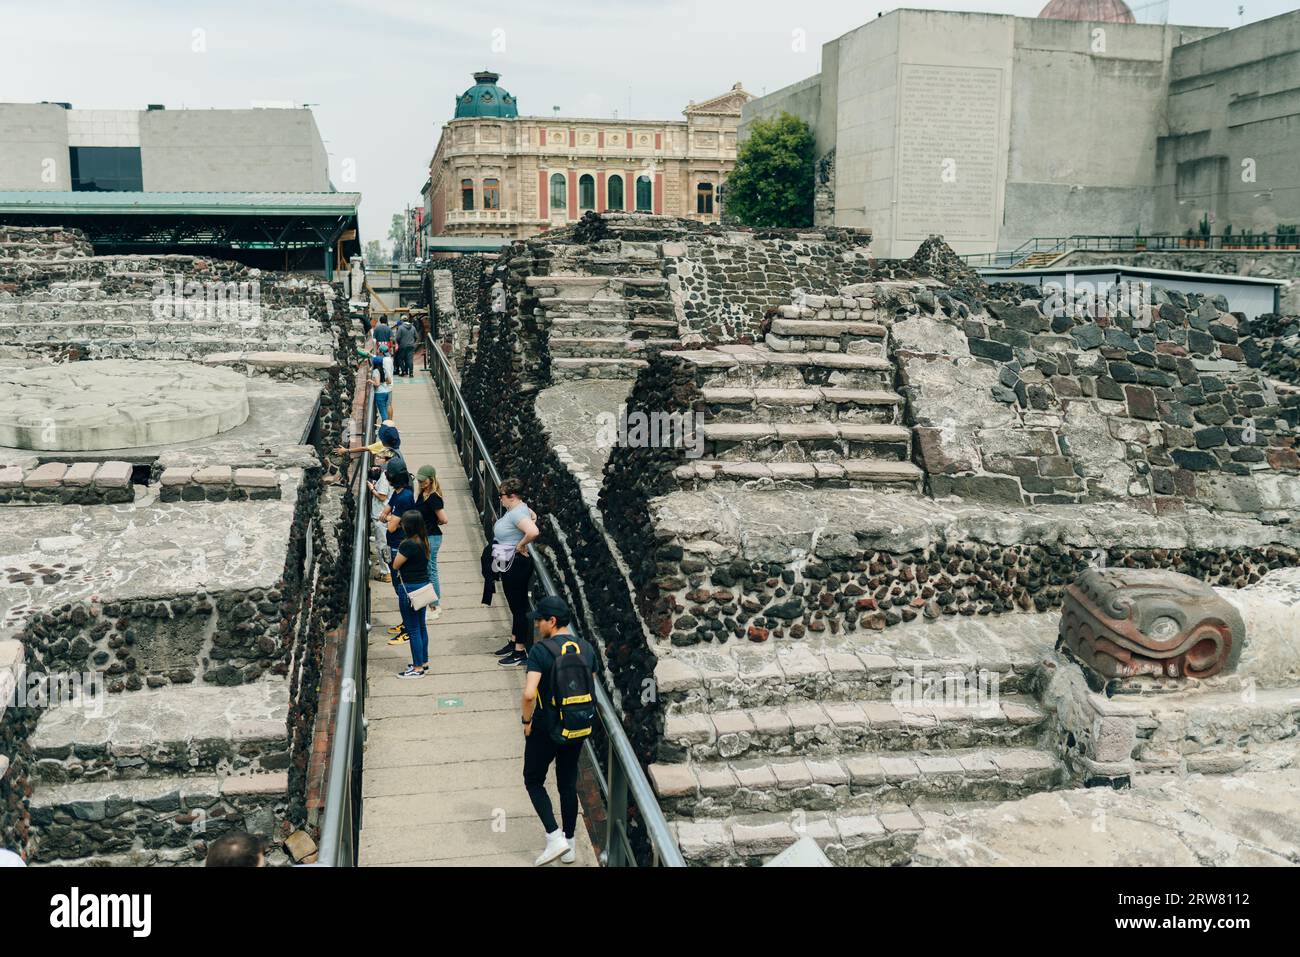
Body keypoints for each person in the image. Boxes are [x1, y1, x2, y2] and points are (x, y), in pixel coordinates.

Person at [521, 596, 598, 866]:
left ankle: (554, 838)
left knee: (533, 780)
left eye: (540, 620)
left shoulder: (541, 651)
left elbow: (530, 694)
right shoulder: (586, 648)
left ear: (551, 622)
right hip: (576, 726)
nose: (538, 625)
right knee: (567, 782)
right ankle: (571, 844)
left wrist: (525, 722)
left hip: (545, 727)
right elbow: (591, 685)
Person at [484, 477, 540, 667]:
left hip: (516, 564)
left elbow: (533, 531)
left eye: (502, 496)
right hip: (510, 562)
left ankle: (519, 652)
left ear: (512, 496)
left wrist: (520, 545)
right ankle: (514, 641)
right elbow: (532, 516)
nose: (499, 499)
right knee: (515, 606)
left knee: (518, 608)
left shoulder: (516, 514)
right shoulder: (519, 508)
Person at [391, 509, 432, 677]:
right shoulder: (423, 541)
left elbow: (395, 565)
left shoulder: (408, 544)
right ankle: (423, 661)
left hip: (409, 588)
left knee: (412, 629)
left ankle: (417, 668)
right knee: (421, 626)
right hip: (422, 586)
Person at [380, 463, 417, 645]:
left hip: (400, 546)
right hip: (394, 544)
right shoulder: (399, 493)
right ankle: (406, 623)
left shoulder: (404, 497)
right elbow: (387, 511)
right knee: (398, 587)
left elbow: (391, 525)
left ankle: (409, 629)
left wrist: (388, 518)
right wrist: (388, 516)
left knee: (402, 589)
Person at [415, 464, 448, 621]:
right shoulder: (423, 493)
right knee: (428, 569)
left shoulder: (434, 497)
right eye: (419, 480)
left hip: (432, 537)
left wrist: (433, 523)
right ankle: (432, 603)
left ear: (431, 479)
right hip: (425, 536)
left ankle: (435, 606)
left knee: (431, 570)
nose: (420, 483)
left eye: (423, 480)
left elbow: (444, 519)